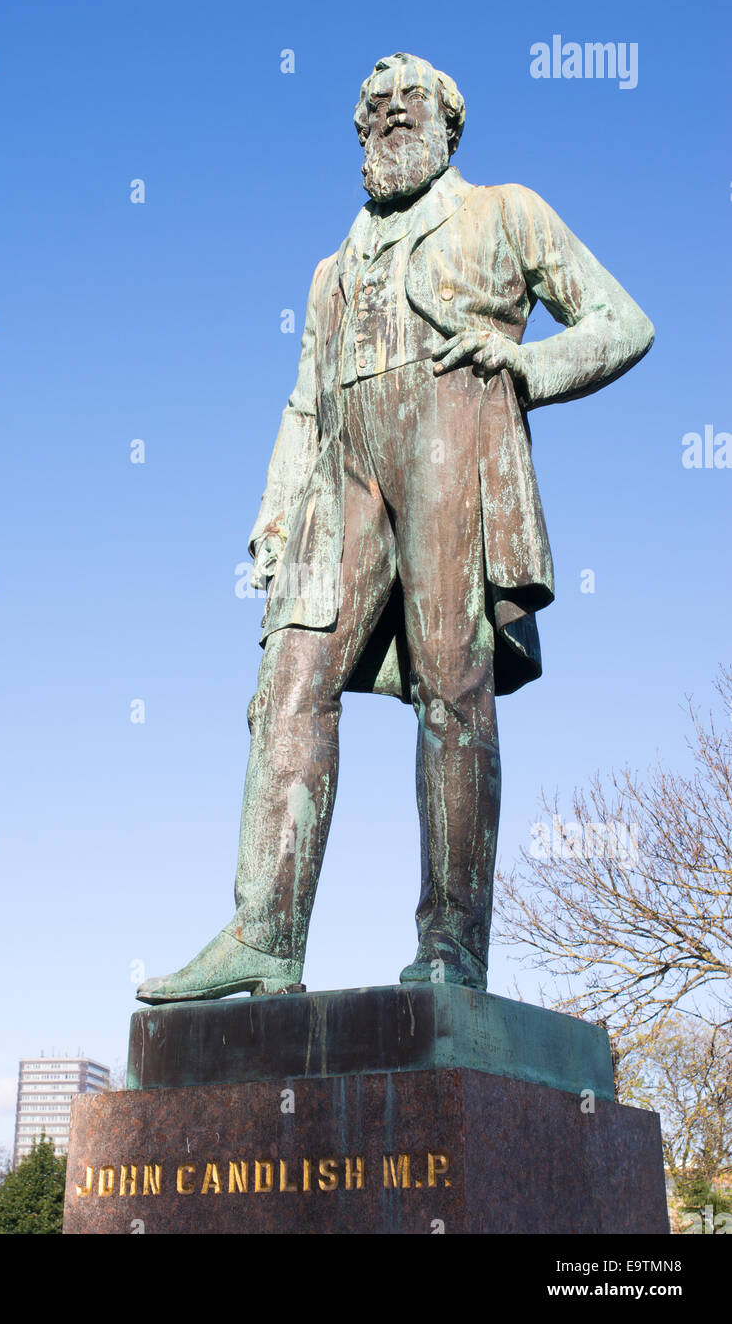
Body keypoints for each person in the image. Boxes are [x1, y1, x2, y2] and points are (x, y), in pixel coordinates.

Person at [137, 52, 654, 1004]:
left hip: (452, 437)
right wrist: (275, 505)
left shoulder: (505, 212)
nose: (384, 116)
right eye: (369, 111)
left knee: (453, 687)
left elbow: (623, 322)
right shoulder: (333, 270)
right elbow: (302, 404)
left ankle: (451, 944)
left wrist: (525, 363)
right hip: (342, 473)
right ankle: (265, 932)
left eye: (405, 103)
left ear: (449, 123)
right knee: (287, 684)